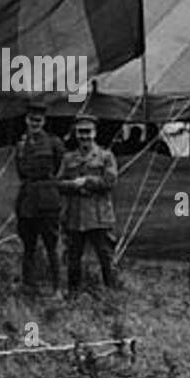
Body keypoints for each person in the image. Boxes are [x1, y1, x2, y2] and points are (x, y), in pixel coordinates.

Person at [57, 115, 119, 293]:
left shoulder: (106, 156)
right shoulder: (69, 158)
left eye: (88, 132)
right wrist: (74, 186)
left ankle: (111, 294)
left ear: (95, 133)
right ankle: (73, 294)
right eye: (80, 132)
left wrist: (86, 181)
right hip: (75, 216)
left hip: (99, 215)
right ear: (75, 133)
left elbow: (110, 181)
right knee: (73, 257)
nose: (84, 136)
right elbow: (59, 183)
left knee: (106, 256)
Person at [14, 103, 65, 292]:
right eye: (31, 120)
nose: (34, 123)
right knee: (28, 244)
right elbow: (21, 171)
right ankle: (29, 285)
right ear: (26, 120)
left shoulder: (54, 143)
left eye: (38, 120)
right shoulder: (21, 145)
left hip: (47, 200)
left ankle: (57, 288)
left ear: (44, 121)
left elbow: (59, 167)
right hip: (27, 200)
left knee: (51, 244)